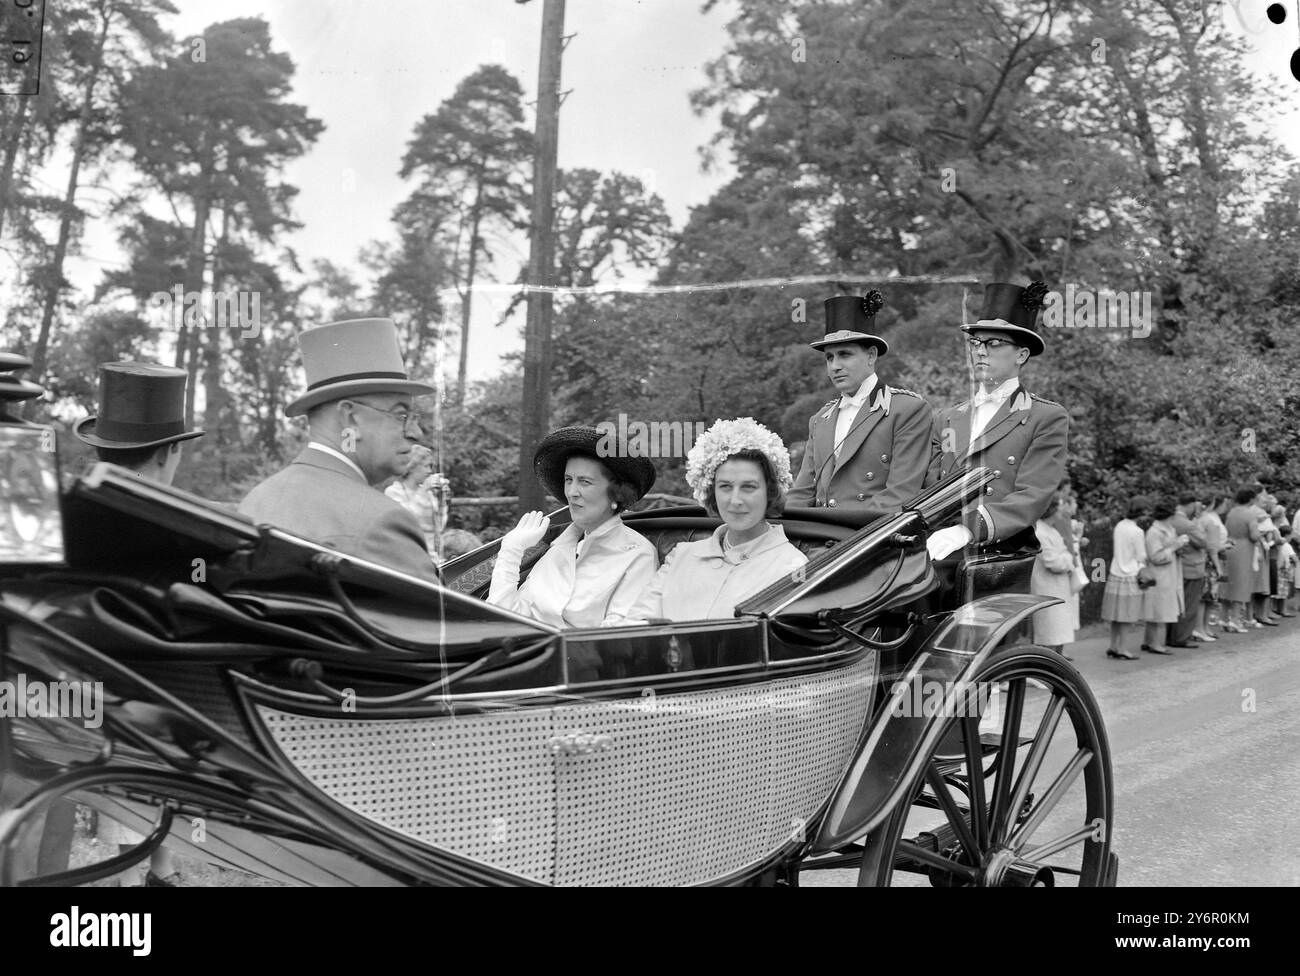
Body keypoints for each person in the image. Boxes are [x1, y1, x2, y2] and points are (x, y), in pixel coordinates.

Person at [74, 361, 206, 887]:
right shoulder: (177, 527)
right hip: (143, 700)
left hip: (67, 690)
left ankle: (160, 870)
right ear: (168, 452)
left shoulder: (74, 511)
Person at [239, 318, 441, 583]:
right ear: (350, 418)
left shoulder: (255, 501)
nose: (416, 433)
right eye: (401, 414)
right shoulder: (382, 521)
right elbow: (438, 623)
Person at [925, 280, 1069, 560]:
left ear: (1021, 354)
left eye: (994, 343)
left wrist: (966, 530)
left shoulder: (1046, 417)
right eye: (976, 342)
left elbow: (1033, 495)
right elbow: (930, 485)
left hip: (998, 552)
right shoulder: (946, 418)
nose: (980, 350)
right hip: (938, 544)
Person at [625, 417, 807, 622]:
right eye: (725, 487)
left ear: (770, 491)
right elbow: (636, 624)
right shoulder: (681, 555)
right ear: (711, 491)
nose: (735, 500)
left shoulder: (792, 567)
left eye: (749, 487)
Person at [488, 425, 658, 628]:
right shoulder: (558, 547)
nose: (572, 492)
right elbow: (503, 619)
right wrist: (511, 550)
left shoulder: (638, 556)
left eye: (585, 482)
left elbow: (615, 642)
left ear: (616, 493)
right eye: (568, 480)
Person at [787, 291, 931, 510]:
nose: (835, 366)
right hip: (817, 538)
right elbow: (802, 494)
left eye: (845, 354)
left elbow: (899, 496)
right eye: (829, 357)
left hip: (873, 537)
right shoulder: (819, 420)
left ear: (871, 356)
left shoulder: (907, 410)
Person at [1101, 495, 1150, 660]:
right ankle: (1122, 648)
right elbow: (1141, 556)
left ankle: (1113, 645)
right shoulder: (1138, 531)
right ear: (1142, 513)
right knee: (1127, 616)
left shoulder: (1119, 526)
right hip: (1130, 574)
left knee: (1115, 615)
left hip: (1115, 573)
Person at [1030, 493, 1078, 657]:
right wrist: (1068, 559)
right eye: (1059, 507)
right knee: (1049, 632)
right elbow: (1054, 563)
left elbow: (1062, 555)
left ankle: (1055, 670)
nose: (1062, 512)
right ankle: (1044, 673)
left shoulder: (1051, 531)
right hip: (1047, 587)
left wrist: (1065, 558)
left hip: (1057, 587)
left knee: (1058, 630)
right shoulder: (1041, 532)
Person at [1140, 498, 1189, 655]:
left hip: (1169, 574)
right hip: (1159, 575)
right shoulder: (1154, 532)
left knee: (1159, 609)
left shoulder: (1169, 528)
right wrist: (1175, 546)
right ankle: (1156, 644)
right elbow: (1156, 557)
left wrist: (1178, 547)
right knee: (1159, 611)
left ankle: (1149, 641)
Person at [384, 445, 447, 554]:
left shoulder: (428, 492)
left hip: (432, 555)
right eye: (426, 466)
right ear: (412, 467)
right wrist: (423, 491)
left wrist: (442, 500)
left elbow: (440, 526)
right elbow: (407, 521)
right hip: (408, 554)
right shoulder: (393, 492)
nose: (430, 471)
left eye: (430, 466)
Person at [1167, 493, 1207, 648]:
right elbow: (1203, 542)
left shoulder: (1171, 520)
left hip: (1177, 567)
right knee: (1189, 605)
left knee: (1175, 604)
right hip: (1192, 567)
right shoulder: (1188, 525)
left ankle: (1170, 635)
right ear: (1190, 505)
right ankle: (1182, 637)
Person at [1222, 486, 1262, 632]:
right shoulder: (1249, 515)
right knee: (1242, 583)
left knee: (1229, 582)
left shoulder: (1231, 513)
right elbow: (1254, 535)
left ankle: (1224, 618)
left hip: (1230, 546)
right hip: (1244, 548)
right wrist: (1260, 535)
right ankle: (1236, 619)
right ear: (1251, 499)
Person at [1195, 493, 1229, 640]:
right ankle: (1199, 628)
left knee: (1210, 596)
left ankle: (1205, 627)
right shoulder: (1209, 520)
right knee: (1205, 596)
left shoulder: (1204, 519)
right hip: (1210, 560)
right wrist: (1218, 567)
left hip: (1210, 557)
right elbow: (1212, 547)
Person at [1274, 523, 1297, 617]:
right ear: (1287, 535)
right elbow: (1294, 558)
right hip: (1285, 571)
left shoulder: (1280, 545)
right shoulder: (1287, 546)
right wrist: (1295, 561)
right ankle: (1283, 610)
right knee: (1284, 591)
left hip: (1278, 569)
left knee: (1278, 591)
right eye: (1291, 534)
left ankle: (1277, 609)